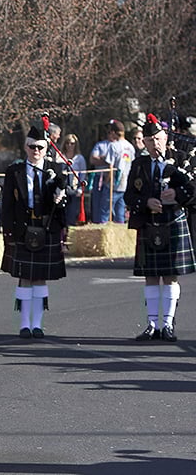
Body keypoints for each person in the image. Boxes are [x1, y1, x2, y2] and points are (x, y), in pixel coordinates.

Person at [125, 114, 195, 342]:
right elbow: (129, 195)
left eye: (158, 139)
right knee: (151, 277)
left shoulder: (181, 160)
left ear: (165, 138)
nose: (155, 144)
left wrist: (177, 195)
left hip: (173, 221)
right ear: (144, 142)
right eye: (150, 140)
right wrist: (146, 202)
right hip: (149, 223)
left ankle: (168, 325)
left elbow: (193, 188)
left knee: (171, 276)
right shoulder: (139, 165)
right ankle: (152, 324)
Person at [1, 125, 67, 339]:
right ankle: (24, 326)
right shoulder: (15, 170)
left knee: (40, 278)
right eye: (31, 146)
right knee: (24, 277)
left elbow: (66, 198)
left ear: (46, 148)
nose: (35, 150)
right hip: (23, 227)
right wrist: (8, 231)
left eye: (39, 147)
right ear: (25, 147)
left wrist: (61, 199)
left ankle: (37, 325)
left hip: (47, 227)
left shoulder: (56, 169)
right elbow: (7, 204)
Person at [104, 120, 135, 223]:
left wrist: (107, 181)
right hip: (125, 184)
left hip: (114, 184)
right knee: (120, 214)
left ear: (113, 132)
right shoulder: (130, 147)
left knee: (105, 211)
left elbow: (111, 167)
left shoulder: (113, 146)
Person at [89, 125, 115, 223]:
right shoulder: (100, 145)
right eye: (109, 131)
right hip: (99, 177)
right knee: (97, 203)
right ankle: (97, 223)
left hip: (114, 179)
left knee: (111, 205)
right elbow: (93, 159)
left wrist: (103, 158)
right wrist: (108, 160)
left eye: (113, 131)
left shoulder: (120, 145)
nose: (111, 134)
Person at [61, 133, 87, 227]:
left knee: (72, 214)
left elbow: (83, 174)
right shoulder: (60, 157)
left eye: (72, 143)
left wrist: (81, 189)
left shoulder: (80, 158)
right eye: (67, 143)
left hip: (75, 188)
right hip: (63, 188)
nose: (69, 145)